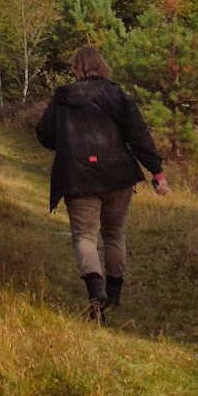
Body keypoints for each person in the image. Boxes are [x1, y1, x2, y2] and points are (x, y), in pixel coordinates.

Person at [36, 46, 169, 319]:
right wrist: (157, 173)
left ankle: (97, 296)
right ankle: (115, 297)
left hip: (77, 177)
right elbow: (138, 135)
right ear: (102, 66)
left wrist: (66, 142)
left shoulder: (63, 98)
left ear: (76, 68)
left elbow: (45, 134)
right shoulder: (116, 94)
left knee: (85, 235)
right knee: (114, 234)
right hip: (117, 176)